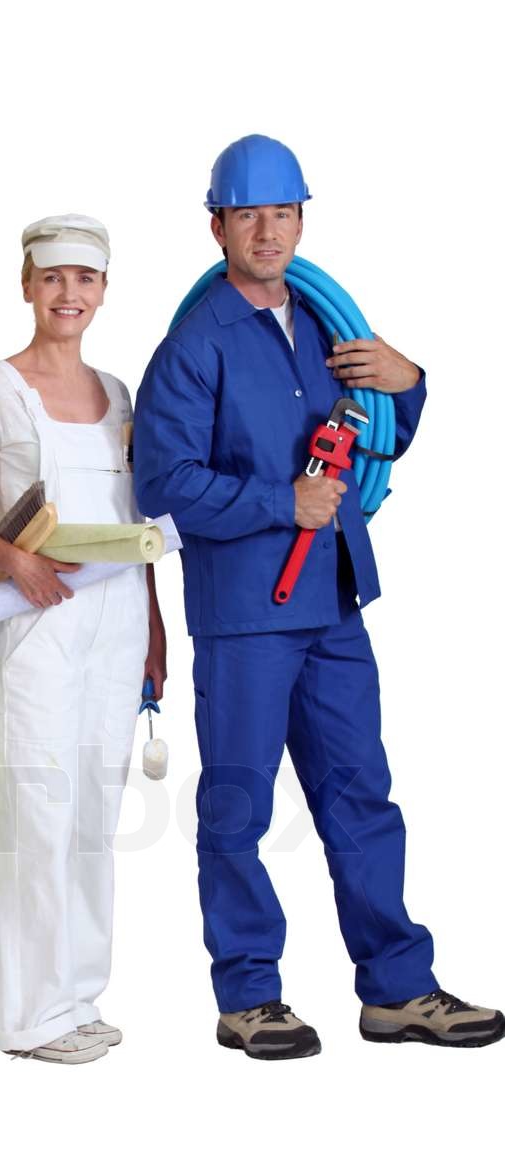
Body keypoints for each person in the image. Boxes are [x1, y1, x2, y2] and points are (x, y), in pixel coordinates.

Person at [134, 134, 503, 1058]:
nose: (267, 229)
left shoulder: (327, 325)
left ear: (302, 218)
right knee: (238, 806)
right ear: (216, 224)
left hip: (332, 601)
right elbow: (162, 483)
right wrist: (275, 500)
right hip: (248, 613)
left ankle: (398, 990)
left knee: (361, 795)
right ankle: (249, 997)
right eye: (248, 213)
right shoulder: (192, 345)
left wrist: (408, 383)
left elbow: (373, 443)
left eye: (282, 212)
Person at [0, 216, 167, 1062]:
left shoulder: (120, 393)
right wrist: (15, 565)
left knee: (92, 816)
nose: (68, 294)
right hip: (35, 624)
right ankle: (30, 1017)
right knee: (35, 808)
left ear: (103, 291)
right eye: (52, 278)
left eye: (85, 279)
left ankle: (78, 998)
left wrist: (154, 630)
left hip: (116, 624)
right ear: (26, 286)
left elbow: (140, 526)